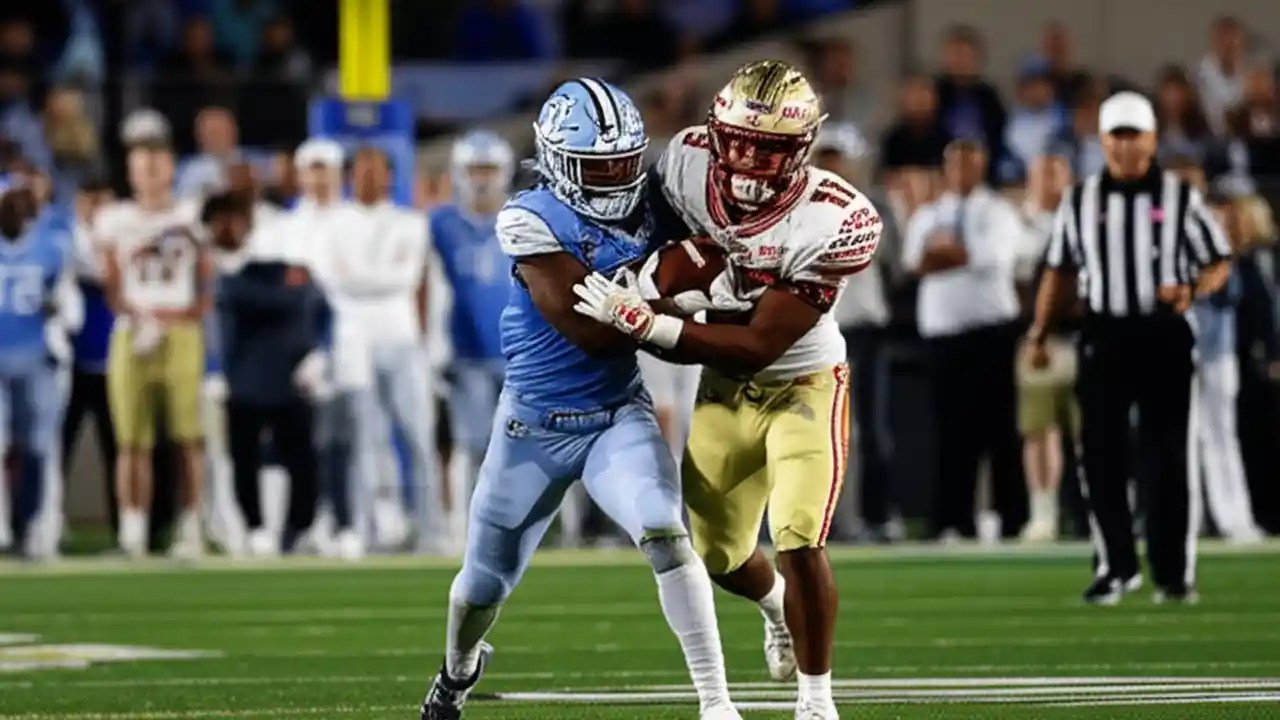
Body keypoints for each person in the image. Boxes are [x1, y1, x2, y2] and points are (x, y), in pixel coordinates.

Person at [572, 61, 883, 720]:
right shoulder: (685, 162)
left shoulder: (834, 217)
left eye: (763, 146)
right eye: (735, 139)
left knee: (800, 537)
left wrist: (653, 323)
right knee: (717, 554)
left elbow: (760, 343)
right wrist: (651, 278)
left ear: (799, 149)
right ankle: (775, 610)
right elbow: (652, 243)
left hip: (802, 380)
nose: (743, 158)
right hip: (724, 386)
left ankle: (816, 699)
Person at [420, 78, 738, 720]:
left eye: (625, 162)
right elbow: (589, 332)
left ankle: (717, 702)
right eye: (601, 167)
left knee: (663, 530)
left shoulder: (656, 198)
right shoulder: (530, 217)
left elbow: (715, 243)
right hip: (531, 429)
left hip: (615, 416)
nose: (618, 178)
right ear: (560, 164)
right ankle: (457, 671)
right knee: (481, 587)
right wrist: (666, 296)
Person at [1028, 91, 1231, 605]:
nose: (1124, 145)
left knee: (1167, 455)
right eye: (1115, 135)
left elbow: (1218, 261)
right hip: (1104, 333)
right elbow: (1060, 269)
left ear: (1152, 138)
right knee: (1100, 456)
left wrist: (1190, 289)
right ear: (1101, 140)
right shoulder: (1080, 198)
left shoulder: (1181, 197)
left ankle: (1172, 570)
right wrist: (1039, 332)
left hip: (1163, 334)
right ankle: (1115, 565)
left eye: (1133, 134)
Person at [903, 139, 1026, 542]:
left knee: (1000, 430)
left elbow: (990, 257)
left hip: (991, 332)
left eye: (969, 164)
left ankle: (1012, 518)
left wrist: (944, 255)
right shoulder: (929, 214)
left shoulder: (999, 212)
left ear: (981, 166)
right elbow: (914, 262)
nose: (961, 172)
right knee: (950, 432)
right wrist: (948, 256)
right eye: (954, 164)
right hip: (943, 336)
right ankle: (952, 520)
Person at [315, 147, 437, 553]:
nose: (369, 178)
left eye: (377, 170)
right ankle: (367, 532)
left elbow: (405, 278)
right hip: (354, 342)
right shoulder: (334, 223)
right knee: (365, 438)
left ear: (389, 176)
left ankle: (431, 531)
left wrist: (361, 278)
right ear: (351, 177)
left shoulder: (410, 222)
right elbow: (332, 278)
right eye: (362, 171)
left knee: (419, 436)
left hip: (401, 337)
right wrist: (375, 279)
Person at [96, 138, 212, 559]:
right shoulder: (115, 219)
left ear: (171, 169)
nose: (150, 173)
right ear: (130, 173)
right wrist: (140, 317)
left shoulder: (191, 215)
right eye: (142, 166)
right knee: (131, 439)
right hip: (133, 331)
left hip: (180, 329)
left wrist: (181, 317)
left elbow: (206, 278)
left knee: (188, 437)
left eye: (157, 165)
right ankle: (133, 530)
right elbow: (110, 283)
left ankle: (192, 526)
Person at [205, 190, 327, 556]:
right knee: (242, 459)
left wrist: (321, 351)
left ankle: (298, 529)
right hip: (244, 375)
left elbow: (319, 305)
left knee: (302, 460)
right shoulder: (232, 273)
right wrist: (217, 370)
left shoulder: (297, 272)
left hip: (291, 375)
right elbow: (237, 299)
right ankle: (250, 527)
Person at [816, 122, 902, 542]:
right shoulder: (799, 207)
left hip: (864, 328)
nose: (831, 166)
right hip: (817, 329)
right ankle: (826, 520)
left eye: (837, 158)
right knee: (817, 431)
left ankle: (877, 516)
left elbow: (888, 259)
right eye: (825, 157)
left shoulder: (875, 207)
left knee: (870, 429)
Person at [430, 130, 514, 542]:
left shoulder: (523, 217)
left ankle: (528, 530)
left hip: (521, 353)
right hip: (466, 351)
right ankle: (463, 528)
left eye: (489, 169)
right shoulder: (441, 224)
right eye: (474, 169)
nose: (482, 178)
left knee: (532, 448)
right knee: (471, 442)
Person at [283, 138, 359, 558]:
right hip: (299, 343)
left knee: (344, 440)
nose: (318, 178)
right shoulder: (288, 225)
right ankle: (309, 522)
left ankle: (349, 521)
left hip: (348, 340)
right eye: (311, 169)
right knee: (302, 440)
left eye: (324, 169)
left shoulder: (352, 220)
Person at [0, 183, 75, 557]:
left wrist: (58, 314)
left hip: (35, 357)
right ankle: (4, 528)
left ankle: (29, 525)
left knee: (36, 448)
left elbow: (70, 306)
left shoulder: (52, 247)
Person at [1189, 192, 1265, 543]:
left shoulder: (1233, 262)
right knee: (1183, 441)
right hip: (1181, 358)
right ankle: (1185, 521)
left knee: (1221, 437)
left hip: (1218, 357)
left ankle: (1235, 519)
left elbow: (1225, 296)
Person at [1016, 154, 1079, 543]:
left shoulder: (1087, 221)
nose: (1050, 184)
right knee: (1039, 430)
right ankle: (1043, 514)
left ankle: (1095, 511)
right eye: (1043, 176)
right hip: (1040, 342)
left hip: (1084, 338)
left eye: (1056, 176)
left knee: (1095, 431)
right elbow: (1016, 284)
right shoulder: (1017, 225)